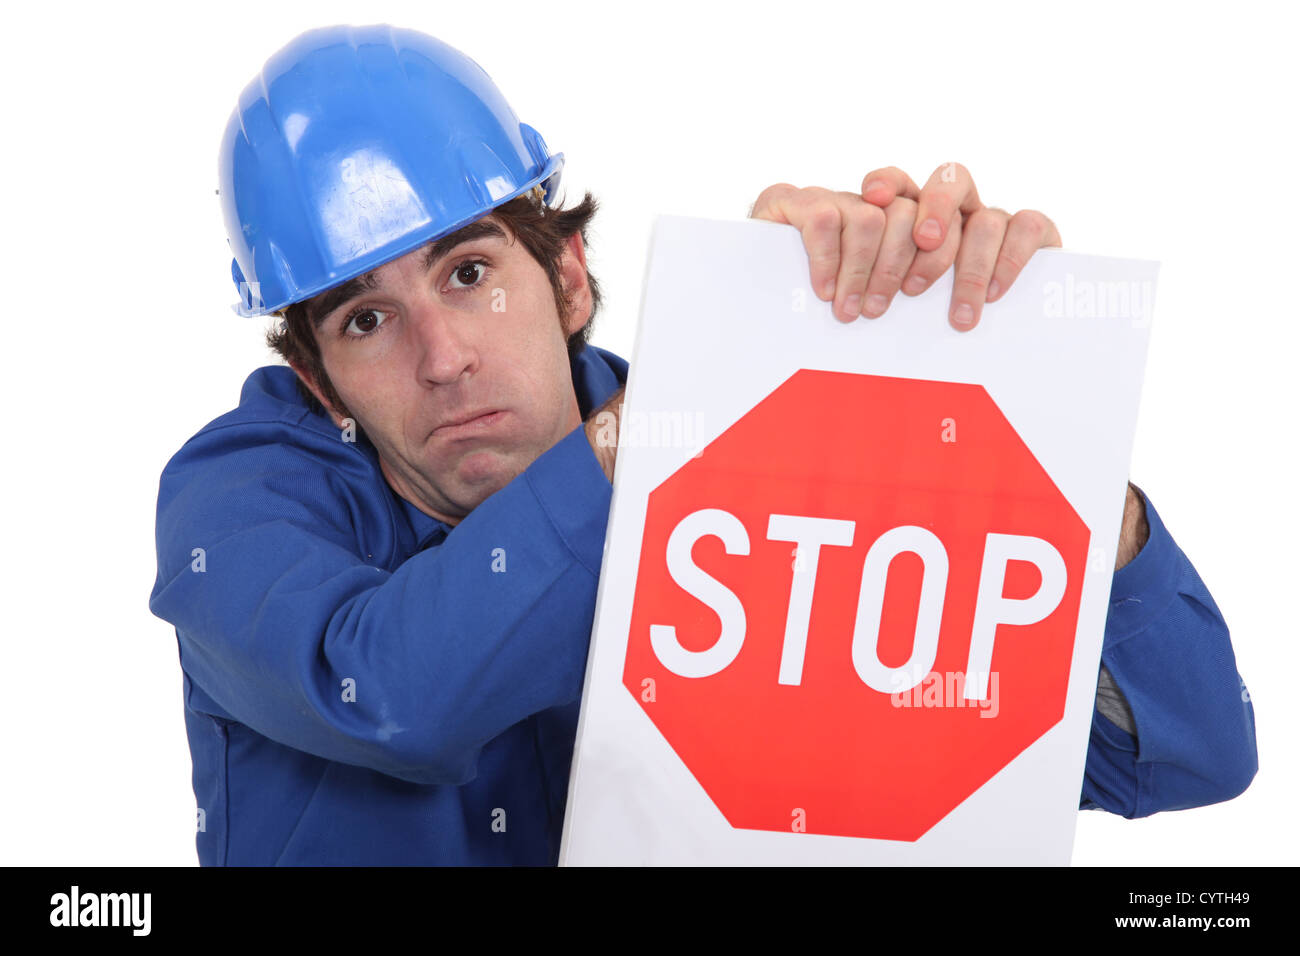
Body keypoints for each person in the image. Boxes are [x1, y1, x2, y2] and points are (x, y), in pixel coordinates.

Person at [149, 23, 1257, 865]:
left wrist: (1010, 413)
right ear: (315, 376)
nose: (441, 358)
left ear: (568, 276)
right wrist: (687, 405)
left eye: (470, 272)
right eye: (365, 318)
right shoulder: (241, 497)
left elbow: (1182, 755)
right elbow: (394, 690)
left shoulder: (734, 435)